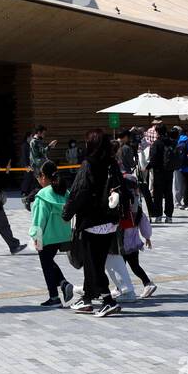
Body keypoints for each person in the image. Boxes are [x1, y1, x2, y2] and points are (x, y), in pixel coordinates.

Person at [61, 129, 123, 317]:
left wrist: (67, 213)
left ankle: (107, 300)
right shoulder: (112, 163)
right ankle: (87, 299)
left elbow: (79, 191)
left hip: (92, 220)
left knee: (93, 263)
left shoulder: (89, 164)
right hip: (110, 221)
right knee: (96, 261)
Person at [28, 159, 75, 306]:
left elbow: (38, 220)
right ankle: (63, 284)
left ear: (43, 176)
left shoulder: (43, 195)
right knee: (49, 261)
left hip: (46, 235)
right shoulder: (64, 192)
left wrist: (36, 237)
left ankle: (54, 297)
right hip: (62, 234)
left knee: (46, 265)